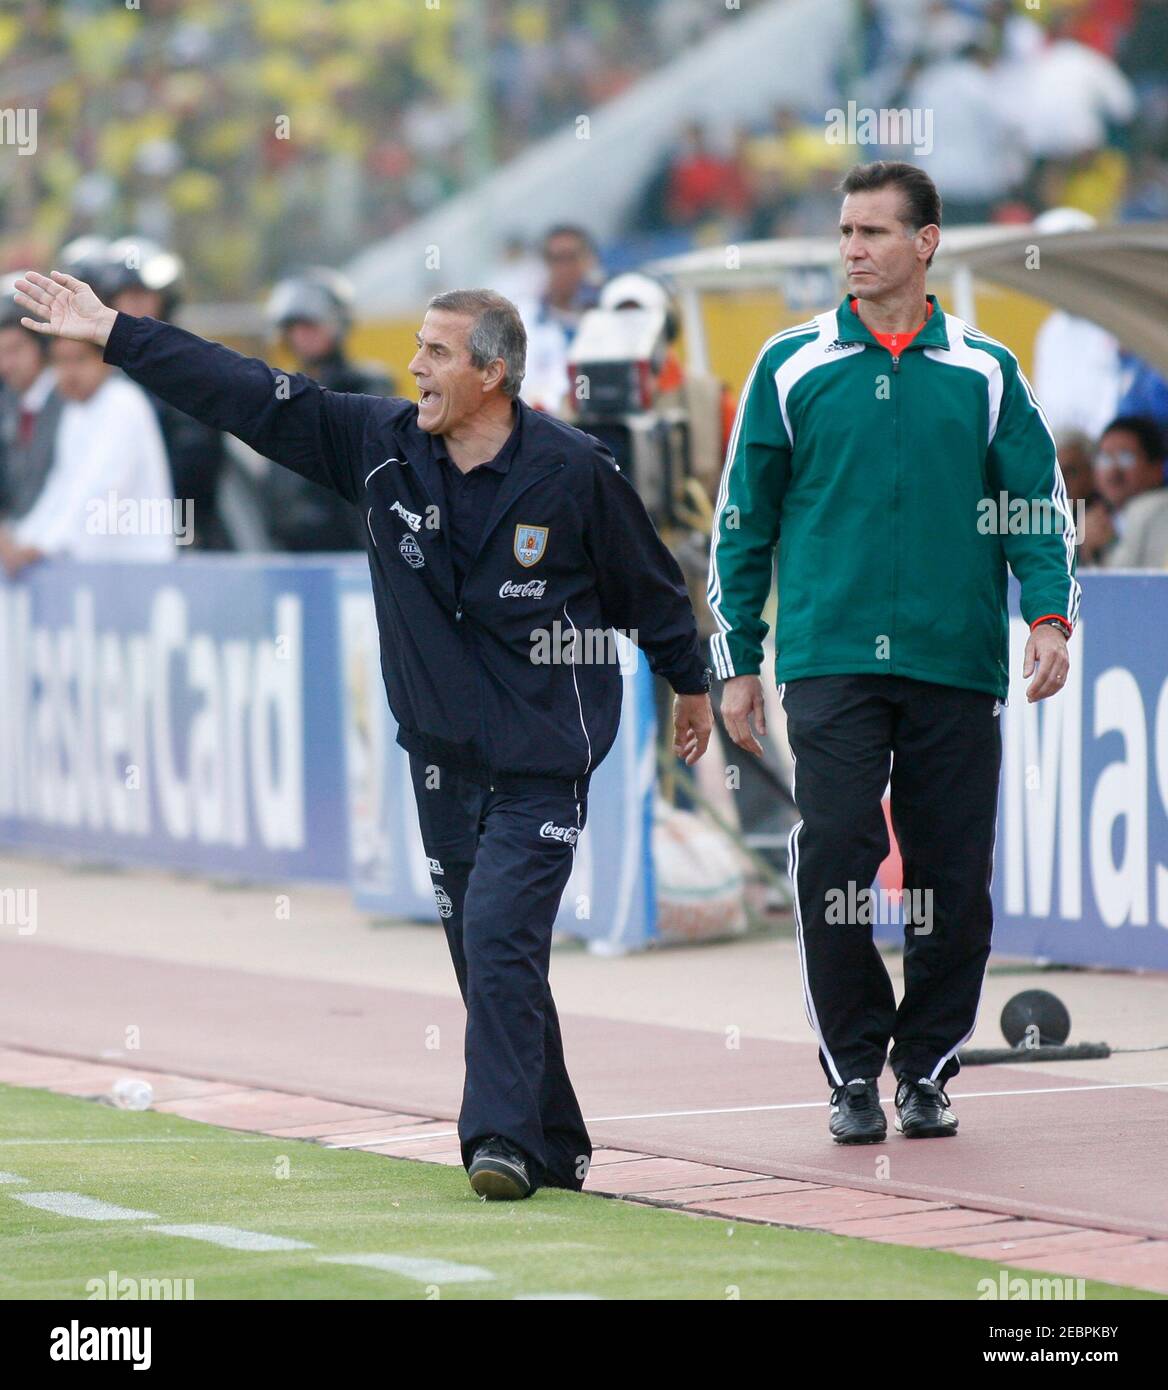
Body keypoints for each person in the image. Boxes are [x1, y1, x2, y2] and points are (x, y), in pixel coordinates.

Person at [13, 271, 714, 1198]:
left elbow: (649, 588)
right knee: (484, 953)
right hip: (440, 757)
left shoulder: (573, 468)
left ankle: (498, 1143)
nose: (415, 367)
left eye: (436, 352)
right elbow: (244, 393)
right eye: (417, 347)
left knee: (502, 932)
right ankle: (558, 1138)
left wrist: (694, 684)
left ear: (493, 373)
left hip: (547, 754)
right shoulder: (376, 444)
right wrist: (117, 333)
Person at [707, 161, 1078, 1145]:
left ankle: (925, 1066)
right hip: (827, 657)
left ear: (925, 244)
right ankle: (851, 1069)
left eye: (872, 233)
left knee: (951, 874)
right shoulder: (790, 364)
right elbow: (742, 522)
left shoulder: (986, 370)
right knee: (834, 848)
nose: (852, 251)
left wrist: (1047, 615)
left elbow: (1034, 506)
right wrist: (737, 656)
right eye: (843, 232)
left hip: (955, 659)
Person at [0, 335, 174, 573]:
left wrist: (43, 545)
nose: (69, 372)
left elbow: (103, 488)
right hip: (94, 570)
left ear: (105, 360)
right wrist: (22, 540)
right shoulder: (75, 411)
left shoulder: (123, 403)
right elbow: (61, 489)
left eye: (79, 360)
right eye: (60, 361)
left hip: (137, 566)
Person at [101, 237, 231, 550]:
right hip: (110, 529)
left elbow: (198, 459)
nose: (135, 305)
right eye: (126, 296)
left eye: (143, 295)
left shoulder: (190, 362)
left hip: (181, 527)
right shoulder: (95, 366)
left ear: (165, 300)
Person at [261, 267, 395, 551]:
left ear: (338, 324)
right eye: (295, 327)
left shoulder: (368, 386)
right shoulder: (282, 392)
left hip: (354, 549)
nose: (302, 336)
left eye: (312, 325)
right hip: (292, 554)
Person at [0, 273, 63, 523]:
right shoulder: (9, 402)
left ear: (42, 344)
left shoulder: (71, 400)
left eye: (15, 349)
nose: (6, 364)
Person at [1081, 415, 1168, 568]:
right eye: (1105, 458)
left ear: (1157, 469)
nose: (1113, 471)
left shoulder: (1159, 509)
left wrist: (1110, 544)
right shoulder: (1090, 517)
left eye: (1126, 458)